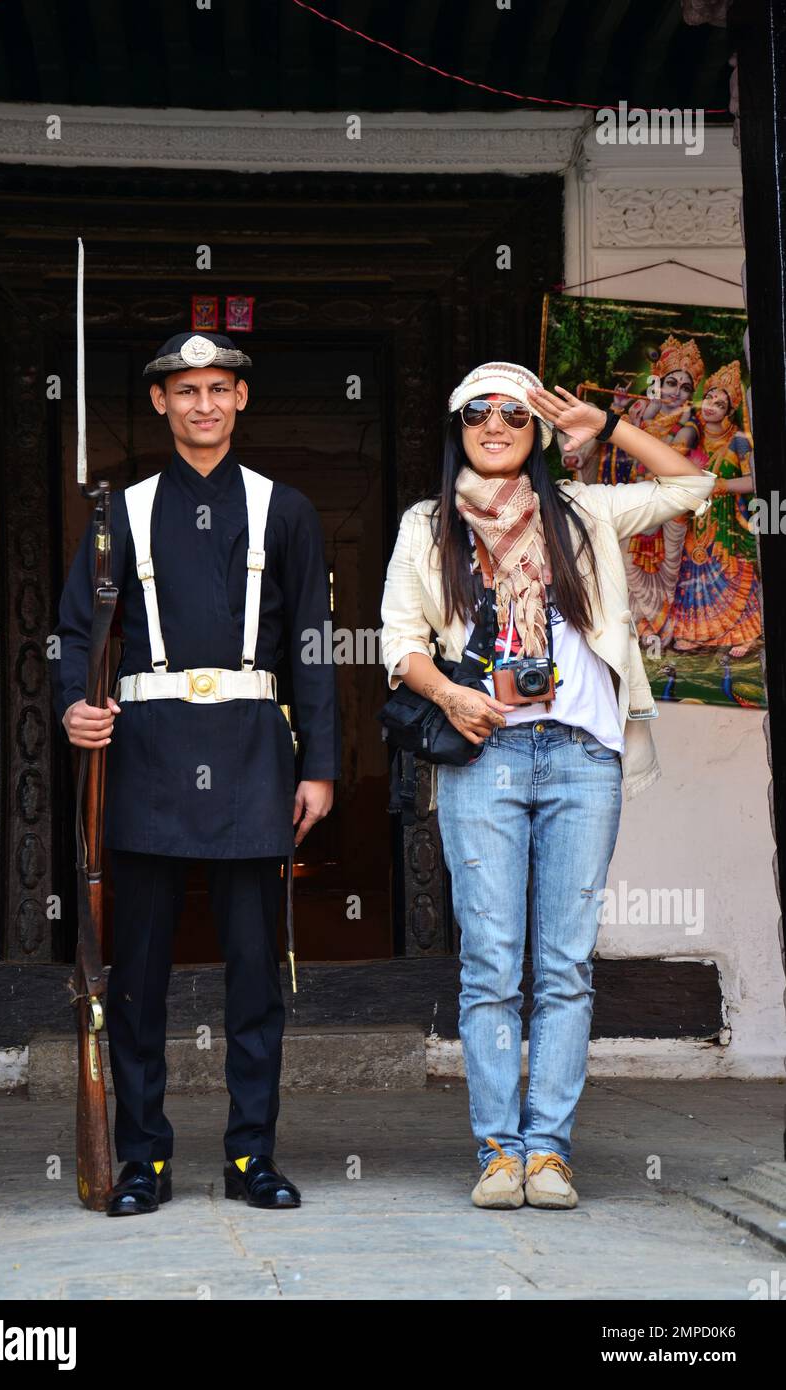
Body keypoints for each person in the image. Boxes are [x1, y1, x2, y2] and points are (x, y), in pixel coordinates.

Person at [380, 361, 715, 1211]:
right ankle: (498, 1151)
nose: (496, 425)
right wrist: (452, 695)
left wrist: (605, 431)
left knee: (563, 966)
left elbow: (692, 482)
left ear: (535, 434)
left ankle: (549, 1153)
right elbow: (398, 641)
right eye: (477, 413)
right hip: (484, 755)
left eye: (515, 414)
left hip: (580, 756)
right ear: (456, 427)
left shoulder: (581, 508)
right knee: (491, 963)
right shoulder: (427, 524)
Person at [52, 331, 340, 1214]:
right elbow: (73, 633)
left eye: (219, 389)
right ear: (160, 404)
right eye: (186, 391)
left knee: (255, 976)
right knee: (135, 980)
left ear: (241, 400)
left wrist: (320, 766)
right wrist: (74, 704)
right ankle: (143, 1161)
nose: (203, 405)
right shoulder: (119, 513)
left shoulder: (284, 509)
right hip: (144, 758)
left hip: (255, 754)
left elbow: (312, 650)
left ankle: (251, 1157)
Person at [666, 361, 761, 659]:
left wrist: (721, 485)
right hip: (696, 518)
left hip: (728, 522)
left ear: (729, 412)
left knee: (731, 576)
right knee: (693, 574)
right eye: (709, 399)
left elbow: (756, 480)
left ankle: (746, 633)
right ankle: (699, 635)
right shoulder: (693, 432)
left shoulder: (739, 441)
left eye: (720, 404)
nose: (712, 406)